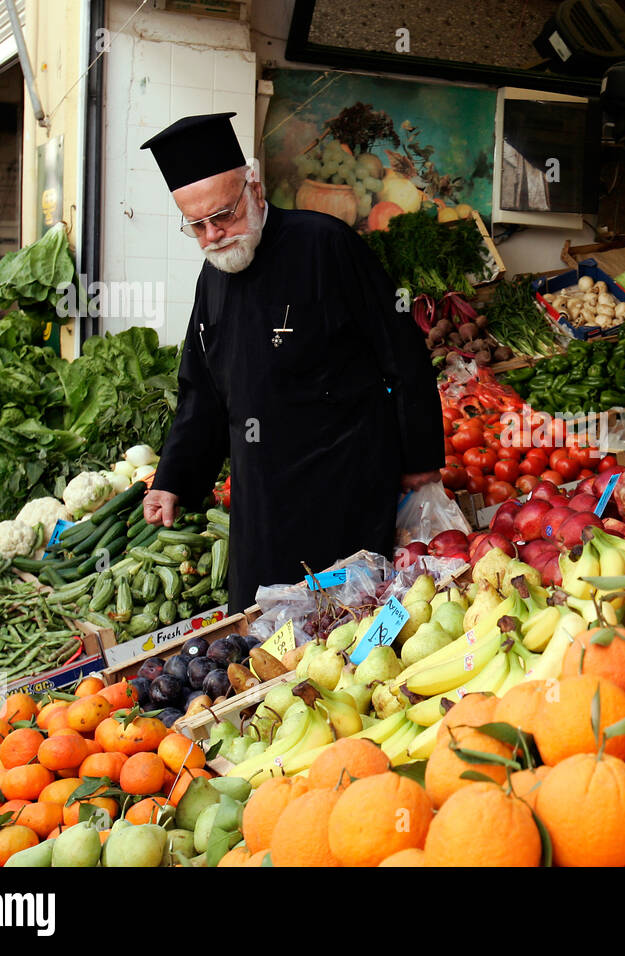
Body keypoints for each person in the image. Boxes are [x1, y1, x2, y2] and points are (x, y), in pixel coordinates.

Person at [139, 112, 443, 612]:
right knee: (265, 630)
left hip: (344, 483)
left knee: (346, 627)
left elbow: (402, 351)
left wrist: (417, 458)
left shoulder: (325, 243)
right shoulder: (212, 279)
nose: (214, 235)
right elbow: (202, 392)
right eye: (198, 226)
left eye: (224, 215)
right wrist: (174, 478)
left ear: (253, 188)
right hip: (260, 498)